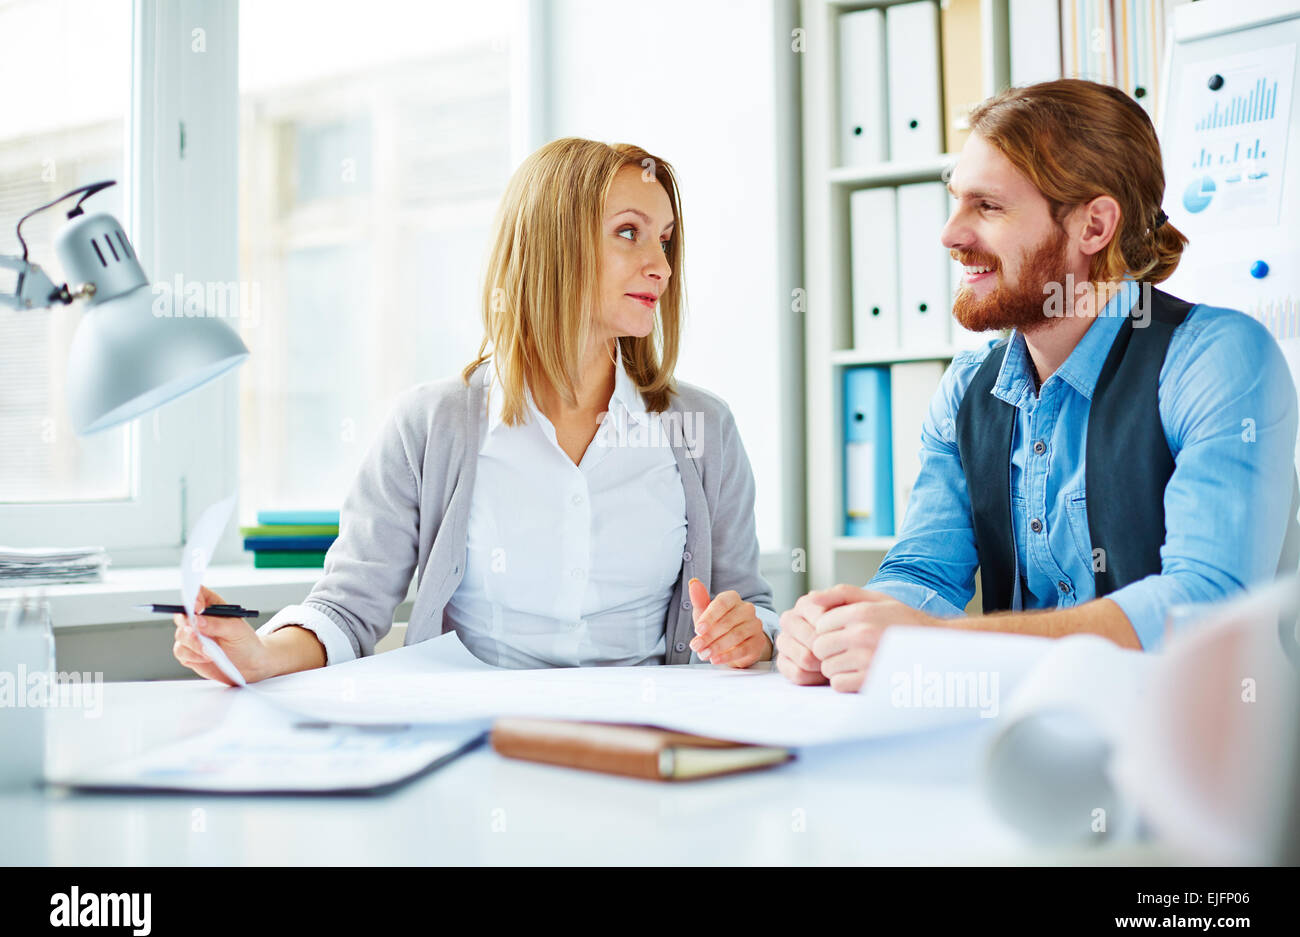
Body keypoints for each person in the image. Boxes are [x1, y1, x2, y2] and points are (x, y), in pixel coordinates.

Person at [174, 138, 778, 684]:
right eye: (629, 232)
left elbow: (751, 606)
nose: (662, 267)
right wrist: (259, 654)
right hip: (480, 742)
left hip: (647, 745)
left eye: (666, 240)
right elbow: (347, 609)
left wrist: (754, 635)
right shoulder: (432, 424)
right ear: (552, 243)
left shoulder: (704, 430)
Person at [778, 78, 1300, 692]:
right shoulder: (969, 386)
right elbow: (924, 572)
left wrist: (933, 644)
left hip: (1199, 754)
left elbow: (1205, 606)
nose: (951, 234)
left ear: (1094, 226)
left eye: (988, 207)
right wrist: (843, 625)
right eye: (955, 201)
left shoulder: (1215, 356)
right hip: (1029, 741)